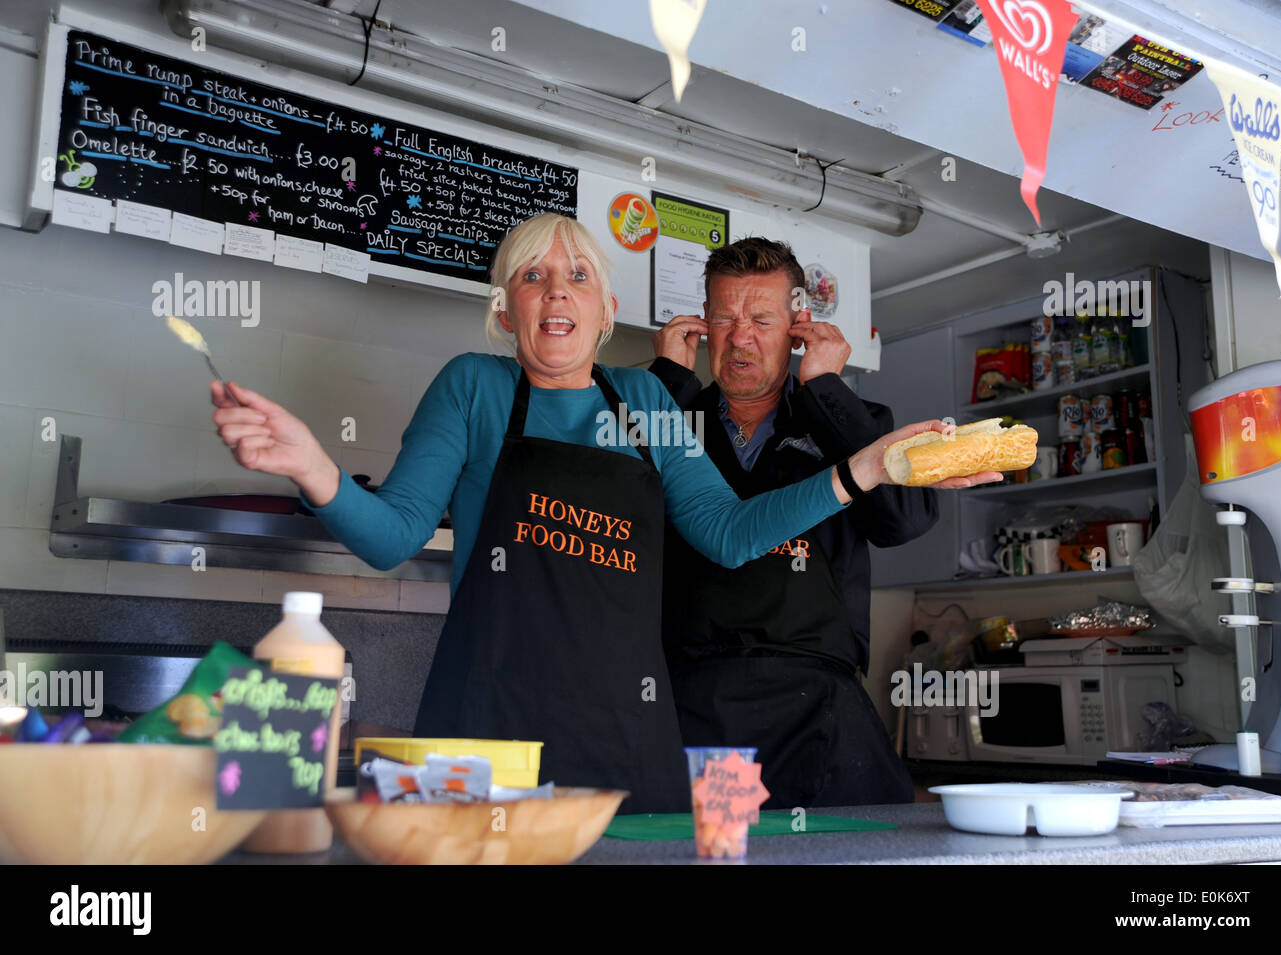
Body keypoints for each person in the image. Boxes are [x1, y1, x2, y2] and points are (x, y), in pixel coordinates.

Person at [211, 213, 959, 814]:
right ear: (506, 310)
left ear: (606, 309)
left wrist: (864, 467)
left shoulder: (645, 404)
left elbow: (730, 534)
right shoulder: (473, 388)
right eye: (532, 277)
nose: (556, 292)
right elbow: (392, 535)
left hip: (624, 725)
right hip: (487, 715)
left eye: (577, 276)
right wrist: (314, 466)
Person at [649, 237, 999, 808]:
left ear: (797, 327)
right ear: (702, 326)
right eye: (724, 319)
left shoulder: (852, 420)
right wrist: (665, 381)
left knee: (851, 855)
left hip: (819, 701)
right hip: (695, 700)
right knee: (714, 856)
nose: (740, 337)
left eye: (761, 319)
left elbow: (904, 521)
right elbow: (607, 504)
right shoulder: (671, 415)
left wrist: (827, 391)